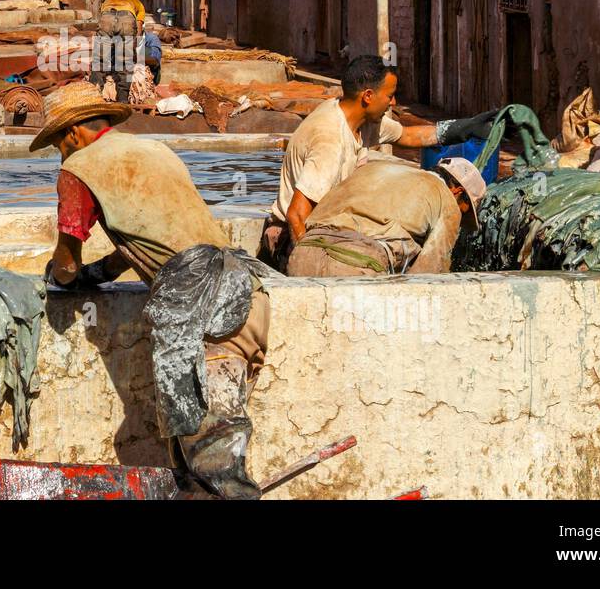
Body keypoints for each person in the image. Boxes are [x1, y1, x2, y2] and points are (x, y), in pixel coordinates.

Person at [37, 81, 270, 499]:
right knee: (197, 461)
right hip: (245, 292)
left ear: (72, 133)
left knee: (216, 466)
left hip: (199, 306)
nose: (62, 156)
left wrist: (60, 277)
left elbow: (67, 261)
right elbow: (151, 239)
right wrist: (100, 273)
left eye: (58, 145)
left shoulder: (79, 167)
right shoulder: (153, 151)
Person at [260, 54, 497, 269]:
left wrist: (463, 128)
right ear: (368, 96)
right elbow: (296, 215)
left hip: (329, 226)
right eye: (390, 96)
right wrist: (306, 265)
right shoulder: (330, 140)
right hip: (294, 237)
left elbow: (406, 135)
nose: (393, 104)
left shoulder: (361, 121)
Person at [286, 156, 485, 277]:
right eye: (465, 210)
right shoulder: (448, 201)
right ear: (458, 191)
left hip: (303, 254)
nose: (461, 216)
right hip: (357, 264)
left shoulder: (375, 168)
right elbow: (429, 274)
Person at [91, 0, 147, 88]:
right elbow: (139, 28)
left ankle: (95, 92)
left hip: (106, 19)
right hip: (127, 21)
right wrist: (132, 47)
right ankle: (123, 98)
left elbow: (100, 21)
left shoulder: (109, 0)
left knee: (100, 60)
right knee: (125, 62)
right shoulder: (137, 2)